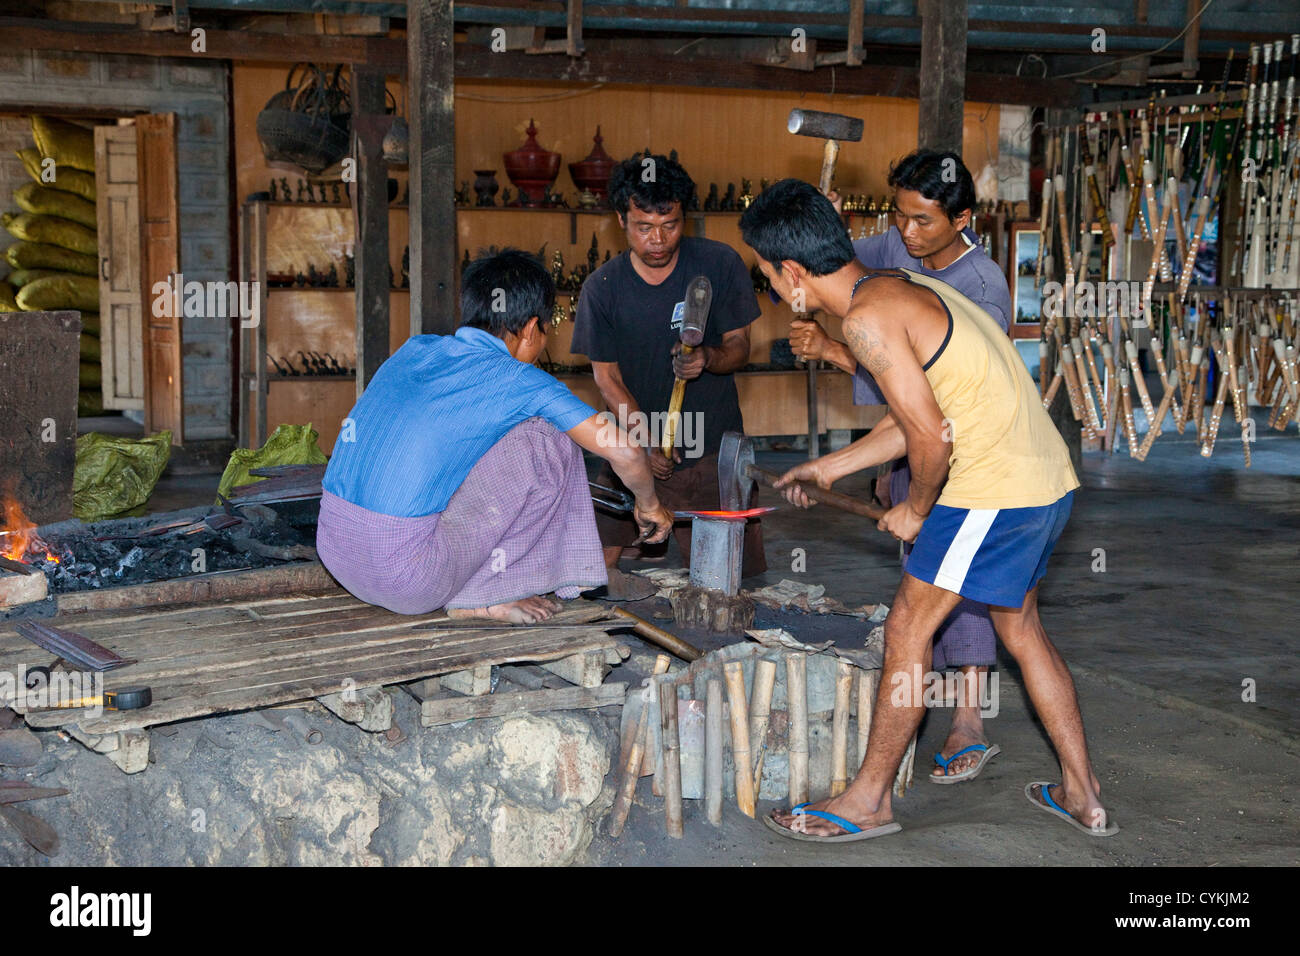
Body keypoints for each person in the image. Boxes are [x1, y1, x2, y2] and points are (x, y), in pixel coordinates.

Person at [741, 179, 1113, 840]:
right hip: (1045, 478)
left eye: (770, 275)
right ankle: (1083, 793)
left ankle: (868, 801)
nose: (773, 288)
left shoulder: (864, 319)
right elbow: (918, 416)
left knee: (909, 626)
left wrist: (916, 509)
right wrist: (830, 466)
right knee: (1019, 626)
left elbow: (929, 438)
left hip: (993, 486)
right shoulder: (902, 287)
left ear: (794, 272)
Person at [792, 150, 1012, 783]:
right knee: (923, 579)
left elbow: (952, 394)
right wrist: (825, 229)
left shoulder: (981, 285)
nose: (907, 235)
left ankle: (967, 718)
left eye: (923, 221)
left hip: (964, 452)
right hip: (903, 443)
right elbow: (842, 274)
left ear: (962, 217)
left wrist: (833, 351)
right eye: (899, 216)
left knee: (962, 589)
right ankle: (925, 707)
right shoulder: (894, 246)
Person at [316, 249, 673, 624]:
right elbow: (628, 453)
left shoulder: (415, 349)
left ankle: (480, 583)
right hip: (406, 579)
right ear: (532, 328)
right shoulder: (520, 379)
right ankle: (487, 595)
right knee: (546, 436)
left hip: (337, 552)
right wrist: (649, 505)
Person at [571, 152, 766, 597]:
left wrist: (708, 359)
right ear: (621, 219)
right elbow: (607, 379)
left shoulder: (718, 264)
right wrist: (640, 443)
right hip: (634, 443)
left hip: (712, 446)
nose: (657, 239)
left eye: (670, 224)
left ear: (684, 217)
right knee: (594, 575)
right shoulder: (602, 289)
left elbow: (740, 346)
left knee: (724, 586)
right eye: (643, 227)